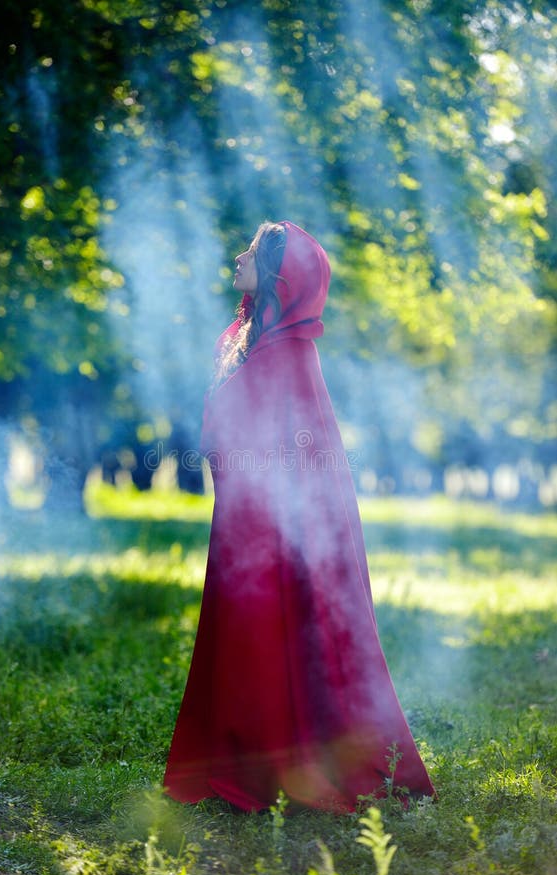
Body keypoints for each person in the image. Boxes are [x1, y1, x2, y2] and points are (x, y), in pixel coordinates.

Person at [163, 221, 435, 812]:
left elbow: (296, 457)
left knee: (273, 633)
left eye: (254, 252)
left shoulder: (290, 355)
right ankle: (236, 752)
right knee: (240, 635)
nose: (239, 256)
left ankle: (285, 762)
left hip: (280, 527)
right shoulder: (242, 338)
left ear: (283, 276)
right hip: (242, 519)